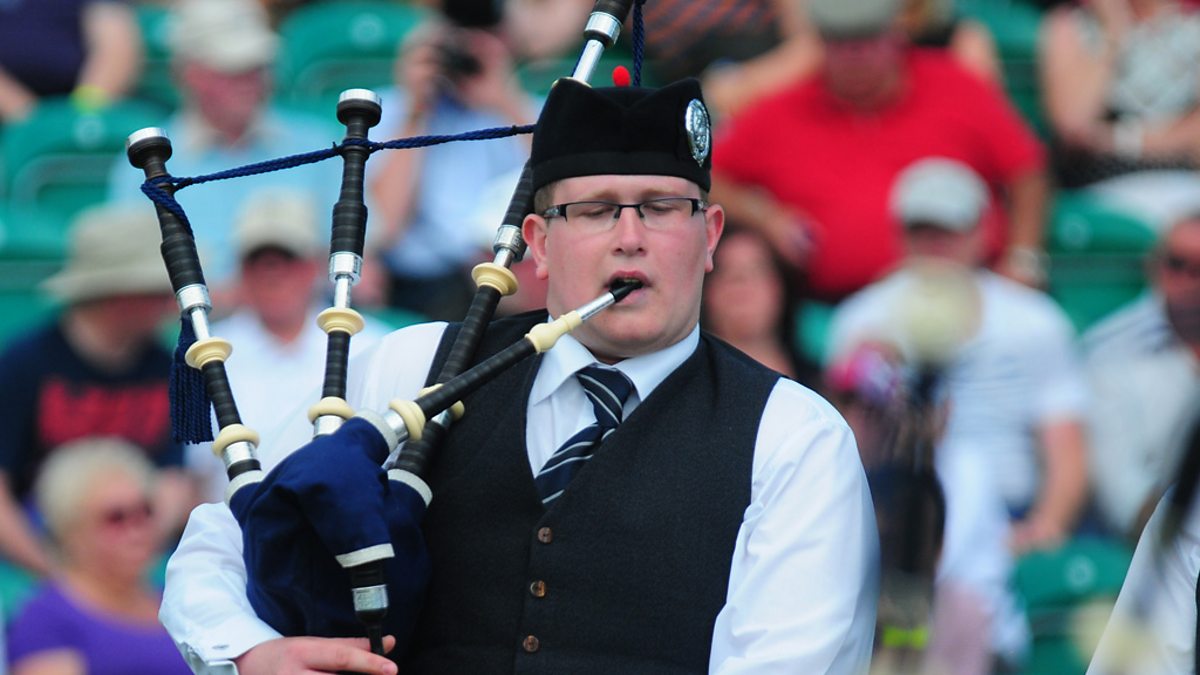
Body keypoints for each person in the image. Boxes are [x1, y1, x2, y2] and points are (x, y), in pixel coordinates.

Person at [159, 77, 879, 674]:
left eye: (662, 208)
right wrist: (250, 651)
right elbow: (230, 536)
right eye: (594, 210)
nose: (631, 235)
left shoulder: (792, 437)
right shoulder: (418, 367)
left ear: (711, 234)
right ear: (536, 242)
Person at [828, 157, 1091, 666]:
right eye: (920, 230)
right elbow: (848, 437)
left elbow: (1066, 442)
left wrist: (1047, 525)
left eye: (946, 231)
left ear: (980, 232)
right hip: (890, 511)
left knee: (962, 607)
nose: (933, 245)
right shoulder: (860, 319)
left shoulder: (1034, 321)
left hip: (1011, 519)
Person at [711, 0, 1049, 302]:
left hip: (967, 295)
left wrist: (1022, 258)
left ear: (898, 35)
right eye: (841, 44)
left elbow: (1027, 169)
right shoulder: (782, 111)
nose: (855, 56)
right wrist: (766, 216)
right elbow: (710, 176)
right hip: (837, 307)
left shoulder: (955, 85)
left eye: (868, 41)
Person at [0, 203, 192, 579]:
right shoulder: (24, 365)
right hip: (39, 549)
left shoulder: (165, 365)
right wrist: (56, 573)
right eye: (156, 292)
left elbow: (175, 480)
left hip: (135, 548)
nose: (168, 305)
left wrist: (136, 551)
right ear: (118, 295)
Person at [105, 0, 340, 293]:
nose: (250, 81)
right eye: (233, 68)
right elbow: (131, 280)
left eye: (257, 66)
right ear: (189, 73)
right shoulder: (144, 162)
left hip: (308, 325)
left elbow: (364, 263)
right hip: (194, 328)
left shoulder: (318, 143)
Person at [186, 188, 386, 503]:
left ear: (313, 266)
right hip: (238, 531)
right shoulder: (202, 357)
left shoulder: (370, 346)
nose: (273, 274)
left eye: (286, 259)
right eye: (259, 261)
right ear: (241, 272)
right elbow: (195, 480)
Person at [367, 18, 533, 321]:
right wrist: (417, 110)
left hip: (509, 273)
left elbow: (558, 183)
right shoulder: (384, 110)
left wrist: (503, 99)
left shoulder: (525, 110)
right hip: (420, 285)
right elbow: (384, 226)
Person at [4, 437, 191, 675]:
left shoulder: (180, 603)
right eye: (115, 518)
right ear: (71, 531)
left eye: (145, 511)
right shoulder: (46, 618)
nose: (137, 530)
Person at [1084, 213, 1200, 539]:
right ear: (1155, 267)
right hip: (1152, 546)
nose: (1190, 278)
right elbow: (1123, 496)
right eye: (1177, 263)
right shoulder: (1110, 351)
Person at [1039, 0, 1200, 228]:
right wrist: (1113, 32)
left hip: (1182, 184)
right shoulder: (1071, 25)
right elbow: (1073, 123)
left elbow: (1196, 138)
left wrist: (1117, 139)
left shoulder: (1193, 25)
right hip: (1100, 187)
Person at [702, 225, 820, 386]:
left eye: (756, 270)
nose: (741, 283)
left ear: (779, 288)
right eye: (726, 272)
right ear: (707, 293)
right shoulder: (684, 384)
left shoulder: (822, 380)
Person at [0, 0, 143, 122]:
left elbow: (116, 47)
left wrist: (85, 109)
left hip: (85, 104)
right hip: (10, 118)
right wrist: (32, 119)